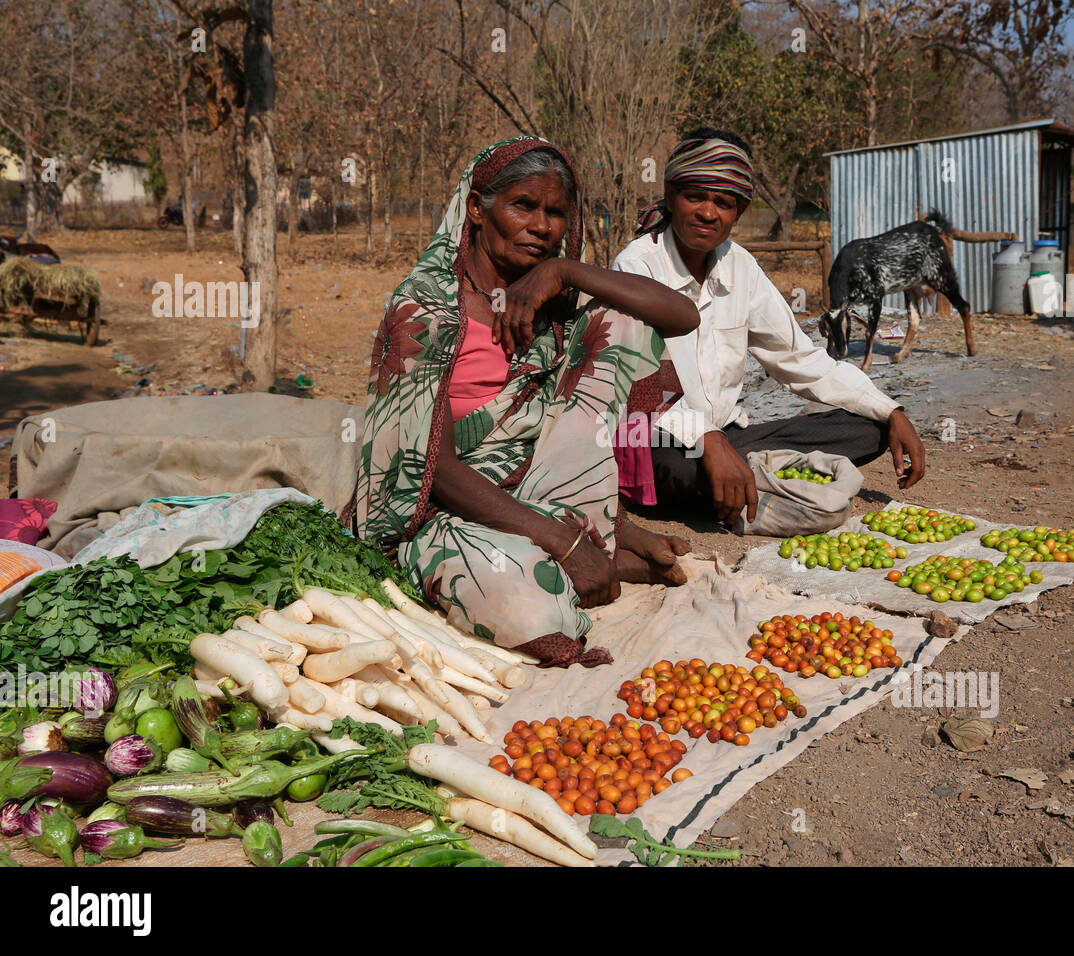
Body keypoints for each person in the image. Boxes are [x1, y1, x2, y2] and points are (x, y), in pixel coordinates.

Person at [353, 137, 698, 666]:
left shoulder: (553, 294)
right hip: (445, 500)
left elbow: (680, 315)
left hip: (535, 475)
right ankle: (601, 544)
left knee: (620, 322)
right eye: (524, 206)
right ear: (476, 208)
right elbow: (432, 467)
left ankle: (601, 532)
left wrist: (566, 272)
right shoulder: (427, 309)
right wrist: (563, 544)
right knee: (523, 602)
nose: (542, 226)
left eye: (556, 212)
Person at [611, 129, 927, 527]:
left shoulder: (739, 265)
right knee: (681, 467)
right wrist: (706, 440)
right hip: (657, 442)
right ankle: (738, 476)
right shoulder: (636, 266)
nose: (708, 212)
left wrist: (891, 410)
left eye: (724, 203)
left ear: (738, 213)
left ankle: (740, 473)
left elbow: (797, 357)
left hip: (726, 438)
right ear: (672, 196)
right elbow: (641, 389)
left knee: (869, 430)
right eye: (695, 197)